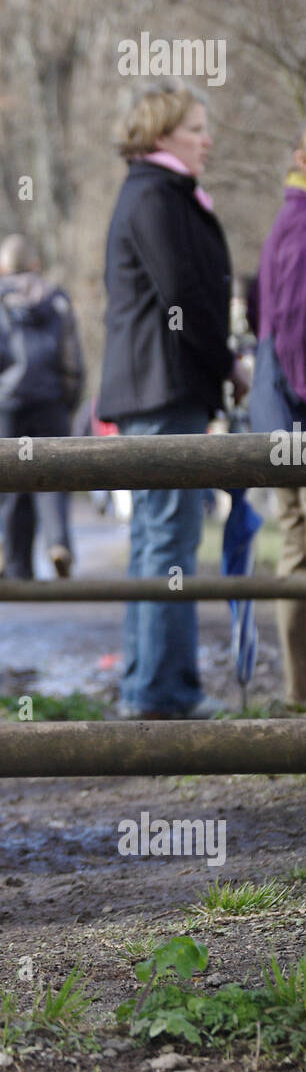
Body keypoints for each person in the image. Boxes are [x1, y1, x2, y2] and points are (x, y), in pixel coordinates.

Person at [98, 80, 249, 720]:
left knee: (158, 543)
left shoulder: (158, 193)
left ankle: (151, 686)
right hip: (164, 391)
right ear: (161, 135)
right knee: (167, 543)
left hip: (161, 388)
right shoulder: (156, 196)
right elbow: (182, 302)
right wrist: (230, 366)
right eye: (195, 128)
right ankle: (161, 695)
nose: (207, 138)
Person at [0, 234, 85, 578]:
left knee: (10, 483)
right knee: (55, 475)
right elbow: (72, 358)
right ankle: (58, 543)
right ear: (35, 264)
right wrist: (69, 399)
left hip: (5, 404)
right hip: (50, 399)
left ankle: (18, 565)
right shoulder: (58, 300)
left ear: (0, 266)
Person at [249, 125, 306, 704]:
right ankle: (299, 693)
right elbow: (292, 328)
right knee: (298, 547)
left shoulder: (289, 221)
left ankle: (299, 694)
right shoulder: (299, 224)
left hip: (282, 412)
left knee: (296, 546)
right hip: (295, 419)